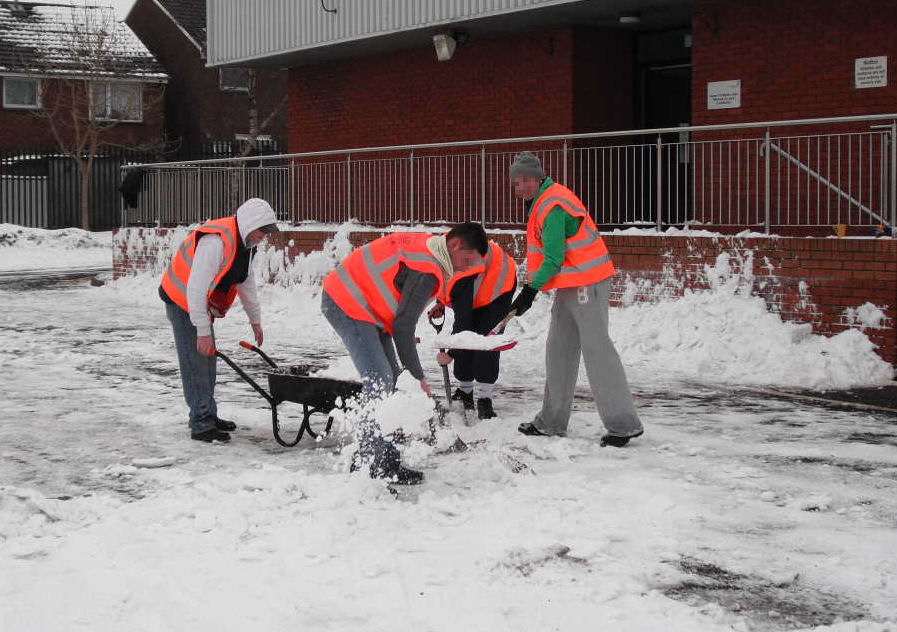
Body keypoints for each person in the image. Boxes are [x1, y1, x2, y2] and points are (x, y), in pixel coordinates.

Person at [321, 223, 488, 485]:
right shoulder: (428, 271)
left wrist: (410, 377)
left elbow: (399, 317)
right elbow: (404, 326)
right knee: (380, 380)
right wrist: (418, 376)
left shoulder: (431, 249)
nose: (466, 268)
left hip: (371, 310)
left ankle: (387, 462)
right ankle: (365, 465)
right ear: (455, 246)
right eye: (467, 260)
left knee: (397, 384)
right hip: (346, 301)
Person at [507, 151, 644, 447]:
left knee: (597, 351)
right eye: (516, 183)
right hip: (571, 284)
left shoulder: (553, 203)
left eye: (524, 181)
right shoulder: (541, 202)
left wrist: (530, 292)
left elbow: (554, 257)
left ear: (537, 178)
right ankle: (551, 422)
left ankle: (623, 425)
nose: (519, 188)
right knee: (558, 349)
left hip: (588, 282)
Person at [159, 198, 279, 443]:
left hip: (197, 302)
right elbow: (195, 288)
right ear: (250, 224)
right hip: (181, 299)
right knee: (195, 362)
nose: (263, 237)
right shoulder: (215, 242)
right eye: (262, 230)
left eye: (267, 232)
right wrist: (202, 330)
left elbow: (246, 282)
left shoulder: (246, 244)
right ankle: (201, 423)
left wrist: (255, 320)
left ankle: (208, 413)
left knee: (208, 360)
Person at [429, 239, 517, 419]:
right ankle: (465, 391)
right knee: (467, 336)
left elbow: (463, 324)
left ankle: (485, 398)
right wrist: (440, 302)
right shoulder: (440, 258)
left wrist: (451, 354)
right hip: (478, 285)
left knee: (486, 339)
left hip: (499, 290)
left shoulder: (460, 271)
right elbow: (447, 286)